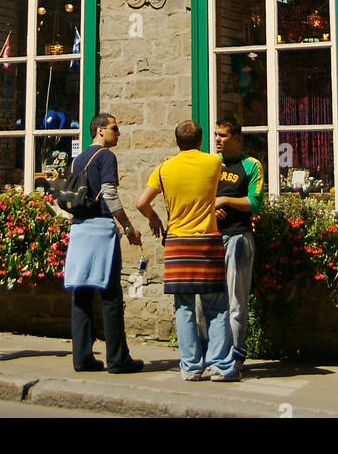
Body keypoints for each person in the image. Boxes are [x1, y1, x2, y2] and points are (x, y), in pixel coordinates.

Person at [137, 119, 239, 383]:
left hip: (177, 244)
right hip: (206, 242)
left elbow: (141, 202)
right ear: (201, 141)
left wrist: (154, 217)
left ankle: (191, 366)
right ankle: (219, 365)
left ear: (176, 142)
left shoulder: (163, 169)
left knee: (183, 307)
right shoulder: (213, 163)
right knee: (216, 307)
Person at [64, 112, 145, 374]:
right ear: (100, 130)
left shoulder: (78, 159)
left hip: (79, 230)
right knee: (110, 295)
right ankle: (118, 359)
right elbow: (109, 194)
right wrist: (128, 226)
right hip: (100, 229)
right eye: (114, 128)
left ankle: (82, 357)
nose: (118, 133)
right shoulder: (106, 157)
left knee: (82, 293)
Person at [214, 116, 265, 366]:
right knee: (211, 301)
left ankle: (235, 356)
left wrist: (224, 201)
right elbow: (199, 198)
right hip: (212, 239)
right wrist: (211, 210)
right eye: (215, 135)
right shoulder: (211, 164)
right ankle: (216, 354)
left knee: (236, 302)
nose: (217, 140)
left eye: (222, 136)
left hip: (238, 238)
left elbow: (255, 202)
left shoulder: (251, 165)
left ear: (236, 138)